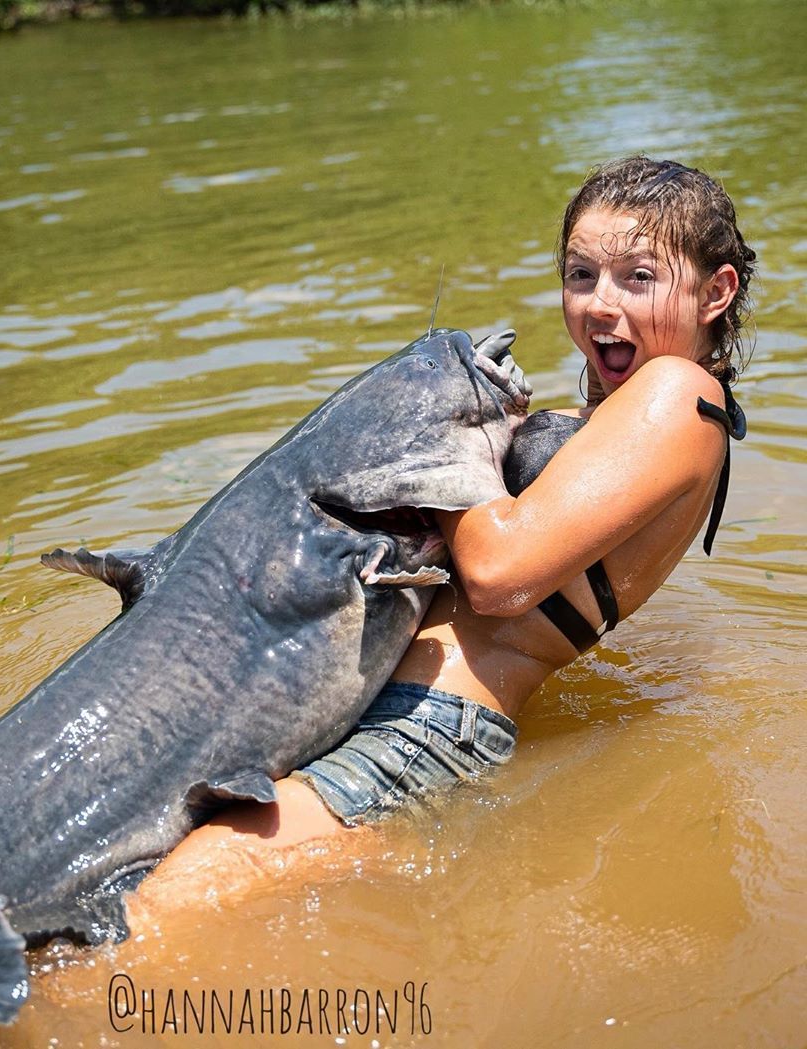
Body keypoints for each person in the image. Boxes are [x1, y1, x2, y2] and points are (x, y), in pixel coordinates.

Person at [126, 155, 755, 919]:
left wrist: (435, 436)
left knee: (179, 893)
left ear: (714, 291)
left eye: (638, 277)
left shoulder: (677, 392)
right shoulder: (633, 413)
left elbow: (499, 573)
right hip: (391, 700)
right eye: (582, 274)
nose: (600, 304)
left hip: (430, 723)